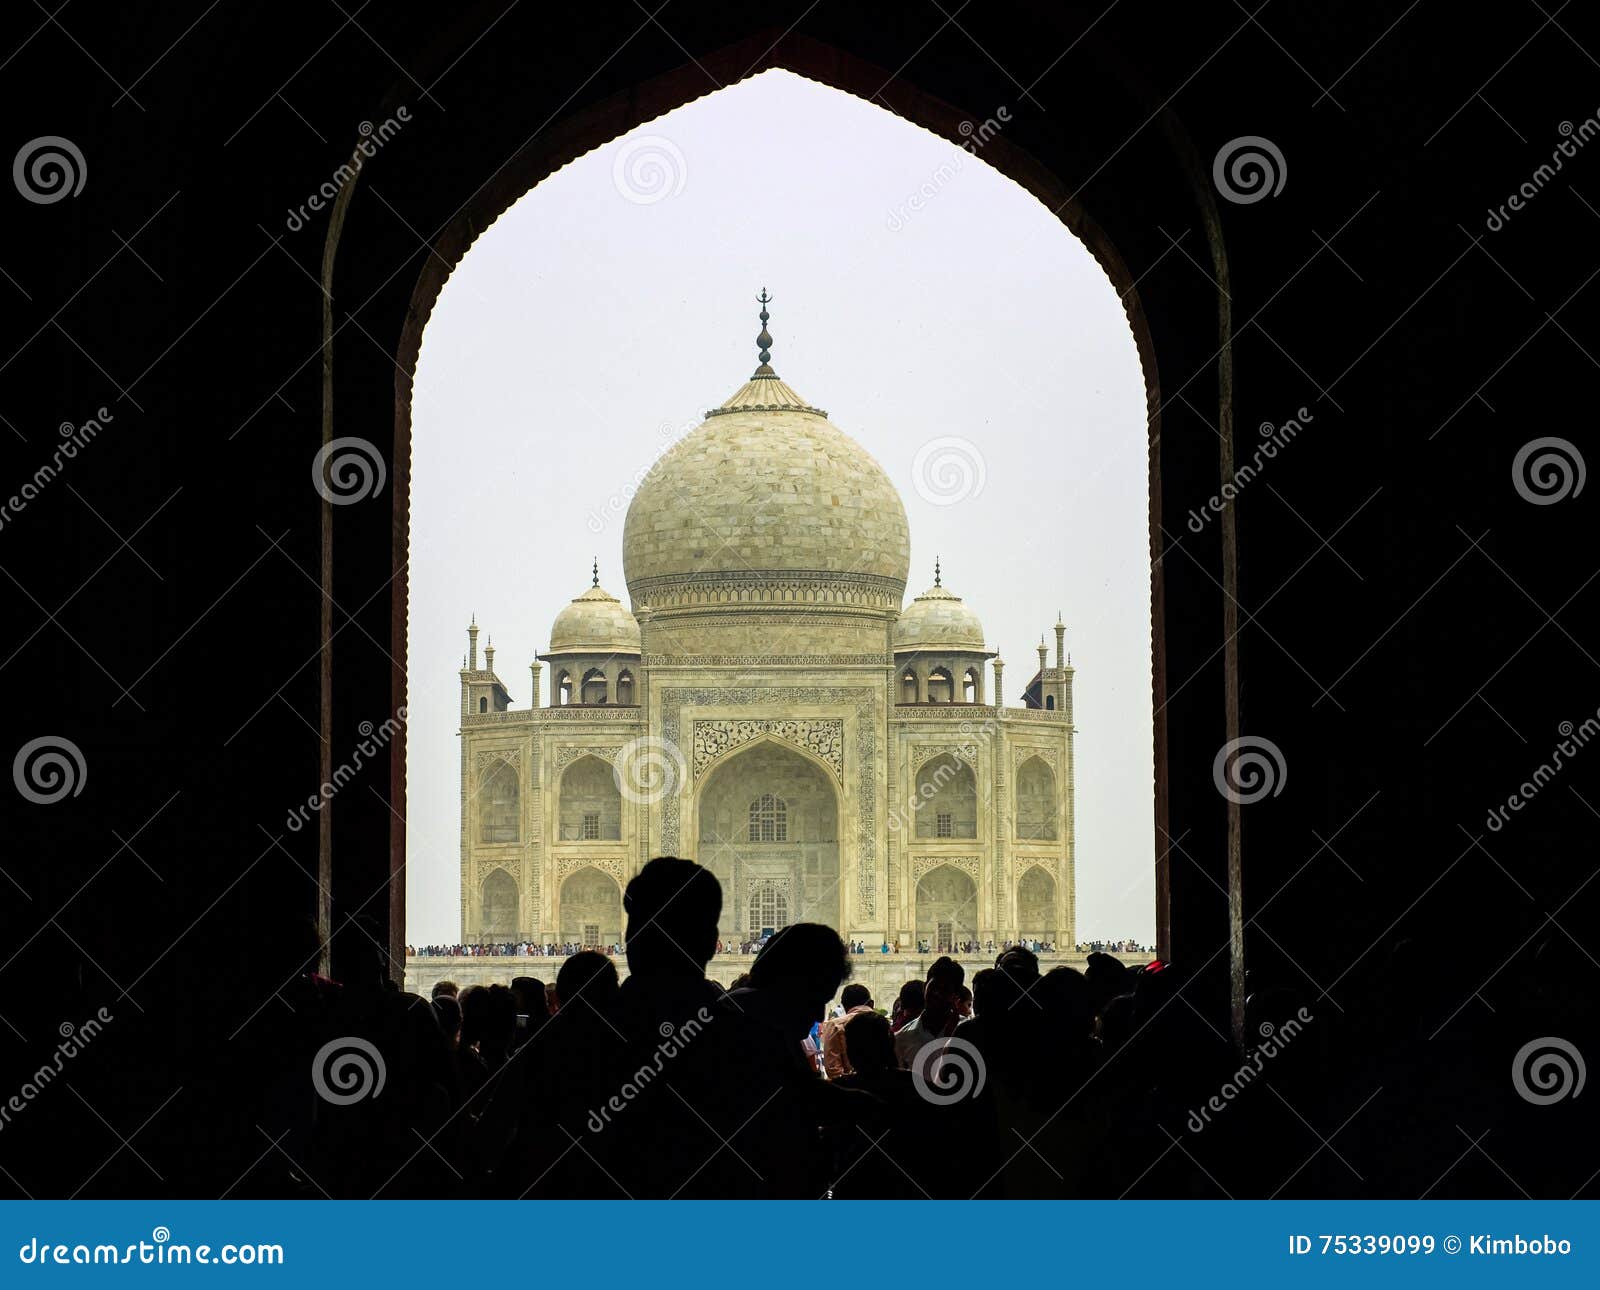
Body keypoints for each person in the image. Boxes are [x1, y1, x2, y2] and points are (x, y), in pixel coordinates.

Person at [894, 956, 965, 1071]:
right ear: (925, 987)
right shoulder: (903, 1038)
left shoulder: (967, 1033)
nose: (937, 993)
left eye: (944, 990)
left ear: (956, 995)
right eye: (934, 987)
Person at [818, 983, 875, 1079]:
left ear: (844, 1006)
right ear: (871, 1003)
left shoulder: (836, 1025)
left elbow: (833, 1069)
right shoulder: (884, 1023)